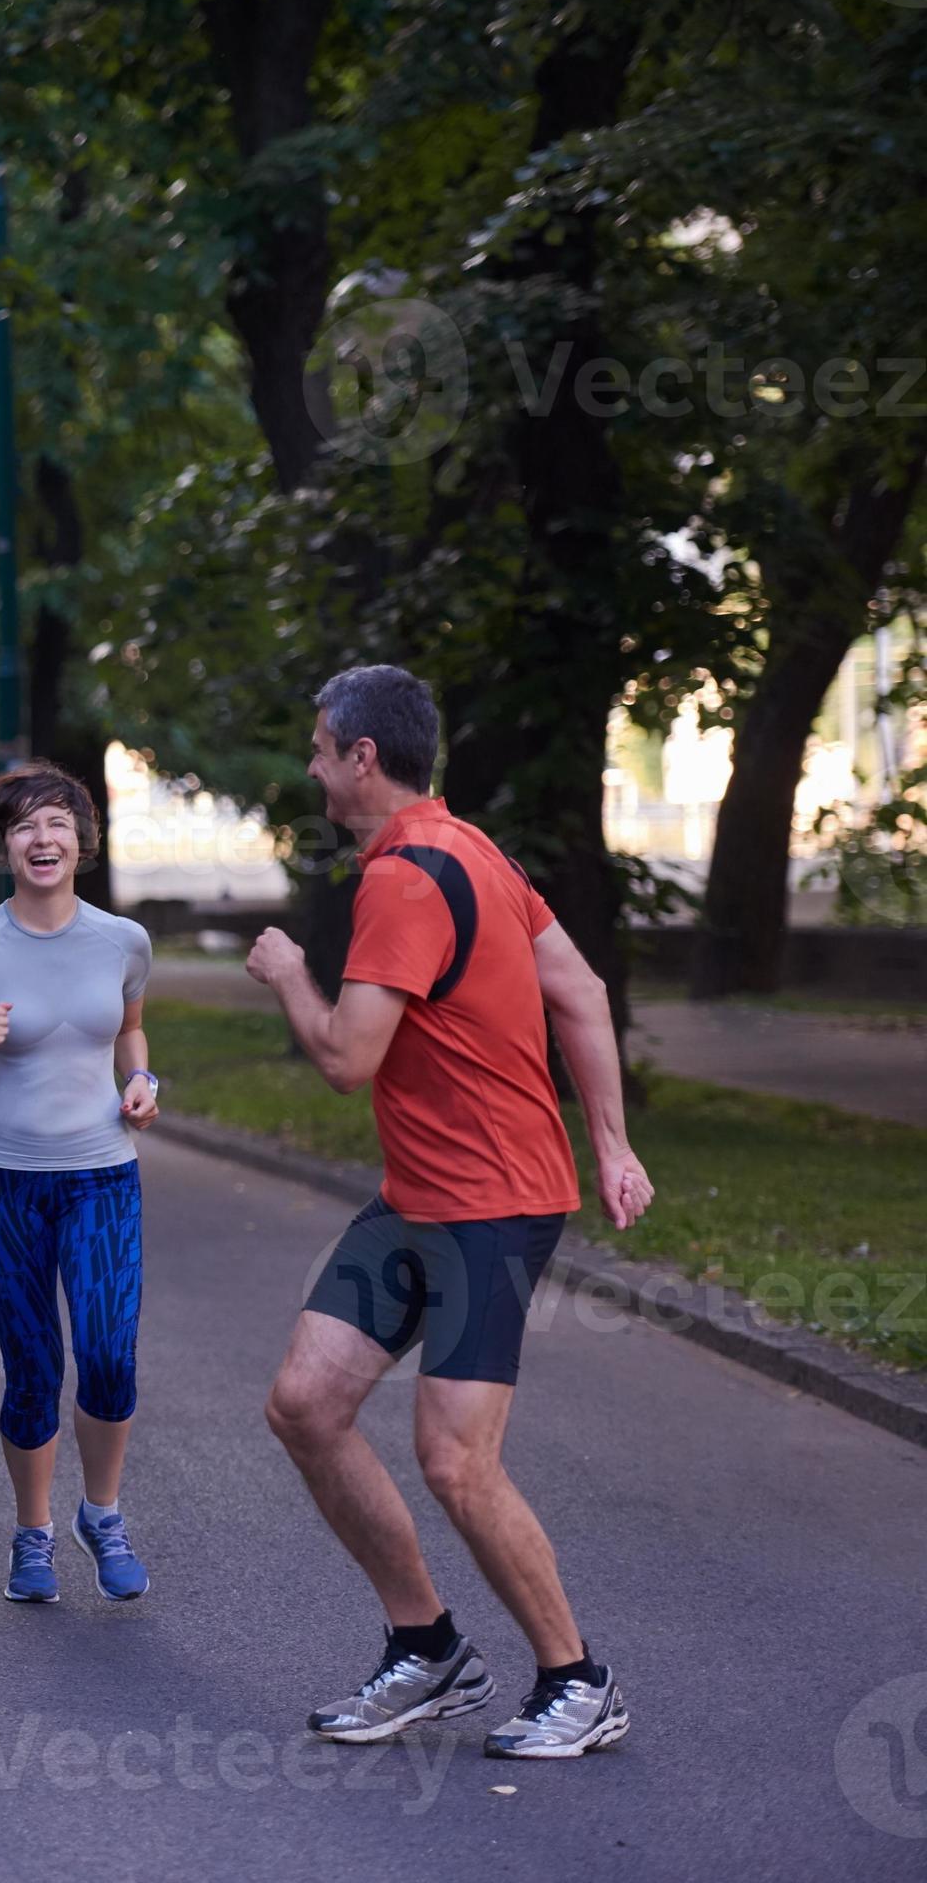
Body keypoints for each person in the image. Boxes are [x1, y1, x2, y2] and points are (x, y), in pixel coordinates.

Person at [250, 662, 650, 1760]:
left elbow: (343, 1058)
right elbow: (579, 988)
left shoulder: (407, 878)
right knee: (303, 1403)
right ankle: (425, 1648)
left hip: (491, 1206)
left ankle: (579, 1679)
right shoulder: (470, 847)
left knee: (454, 1460)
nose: (312, 767)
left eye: (320, 749)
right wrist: (610, 1140)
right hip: (417, 1196)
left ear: (360, 757)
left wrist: (287, 972)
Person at [0, 762, 161, 1608]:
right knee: (31, 1370)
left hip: (102, 1176)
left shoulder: (123, 941)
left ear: (81, 840)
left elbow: (130, 1029)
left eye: (58, 821)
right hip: (3, 1186)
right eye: (23, 825)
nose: (42, 838)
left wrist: (145, 1082)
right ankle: (33, 1534)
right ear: (0, 844)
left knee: (106, 1357)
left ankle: (104, 1514)